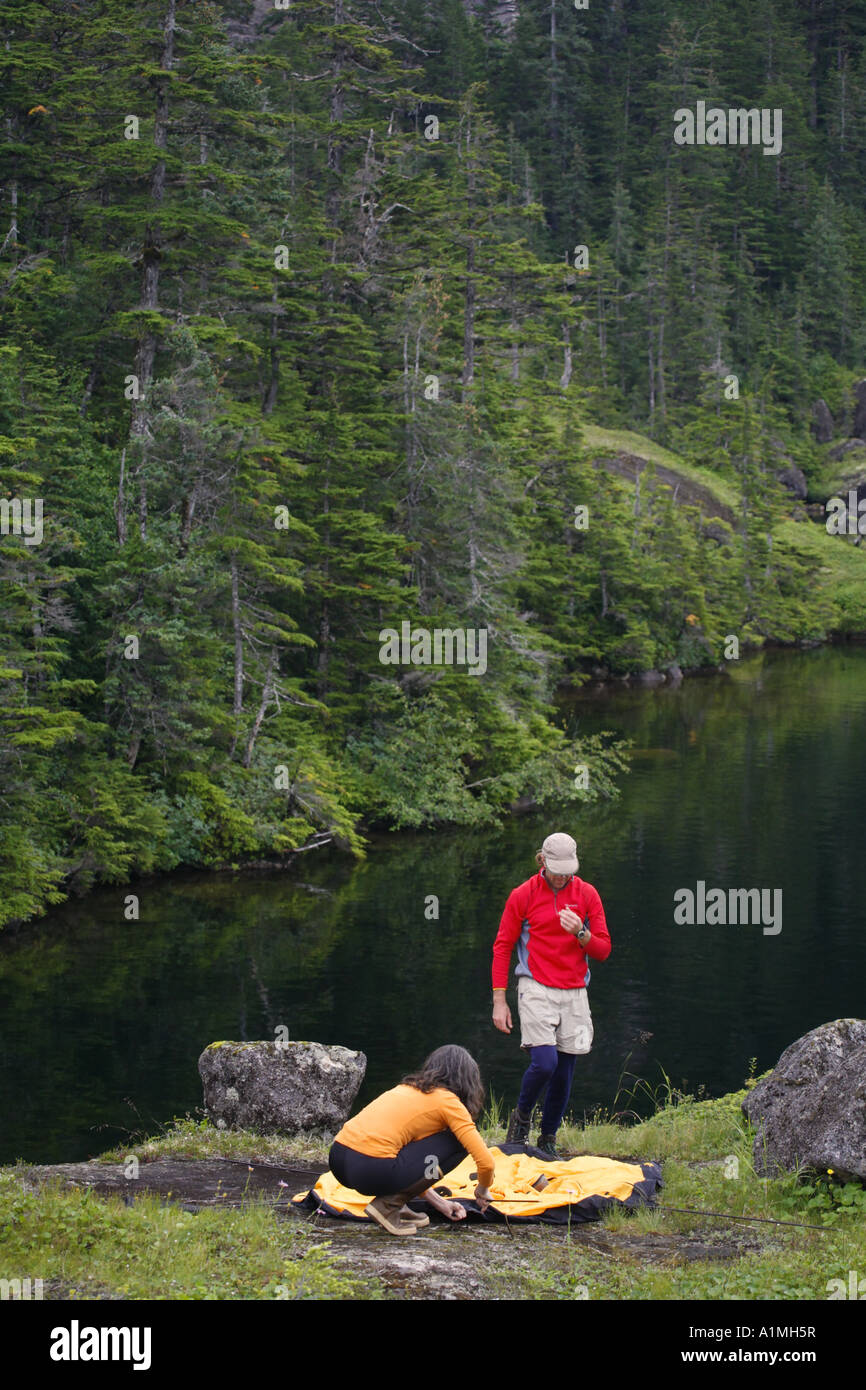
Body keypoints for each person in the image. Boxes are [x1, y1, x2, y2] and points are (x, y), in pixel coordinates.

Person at [492, 831, 611, 1158]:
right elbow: (503, 946)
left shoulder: (587, 894)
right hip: (535, 985)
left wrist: (581, 933)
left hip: (574, 989)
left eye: (567, 871)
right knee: (544, 1063)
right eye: (556, 870)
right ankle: (521, 1118)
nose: (562, 878)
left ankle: (548, 1138)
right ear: (542, 861)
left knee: (564, 1069)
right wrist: (499, 1001)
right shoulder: (523, 895)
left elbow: (602, 950)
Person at [329, 1044, 495, 1236]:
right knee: (457, 1142)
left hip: (339, 1159)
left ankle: (397, 1204)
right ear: (467, 1079)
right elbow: (486, 1163)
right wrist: (482, 1190)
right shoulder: (448, 1101)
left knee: (399, 1148)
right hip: (370, 1170)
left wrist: (440, 1203)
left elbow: (413, 1167)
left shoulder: (406, 1088)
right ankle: (388, 1206)